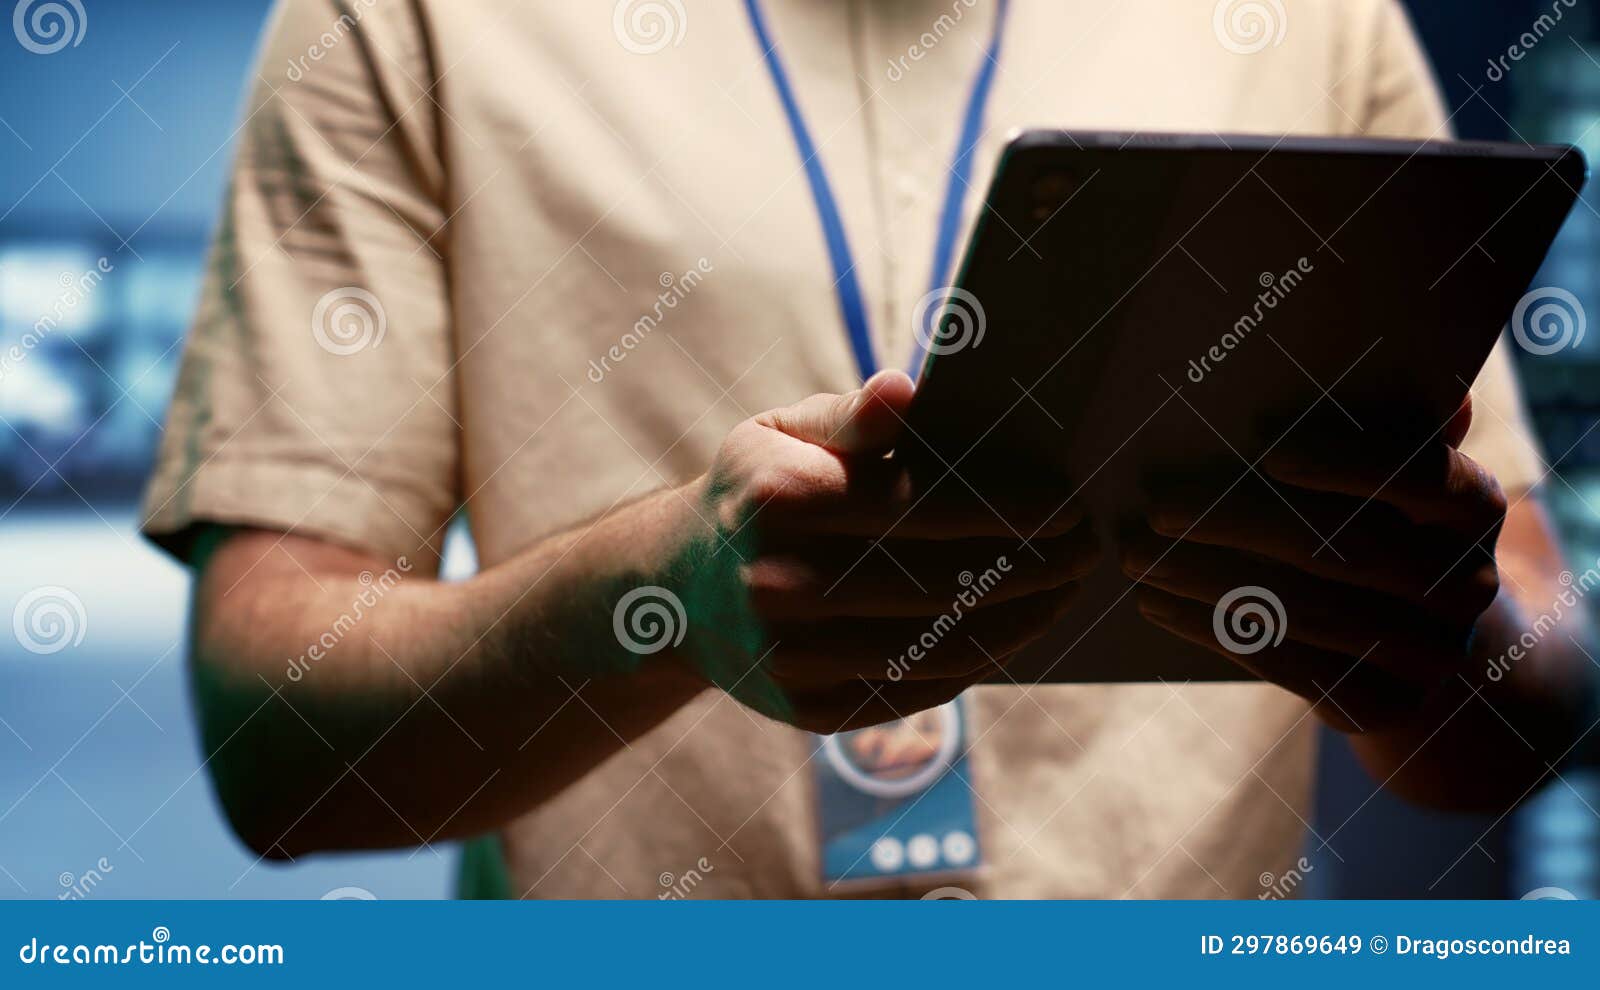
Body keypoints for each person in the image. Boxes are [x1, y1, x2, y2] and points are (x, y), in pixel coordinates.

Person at [143, 0, 1592, 898]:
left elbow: (1524, 681)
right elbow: (279, 751)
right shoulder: (405, 15)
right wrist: (661, 600)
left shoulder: (1311, 16)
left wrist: (1425, 629)